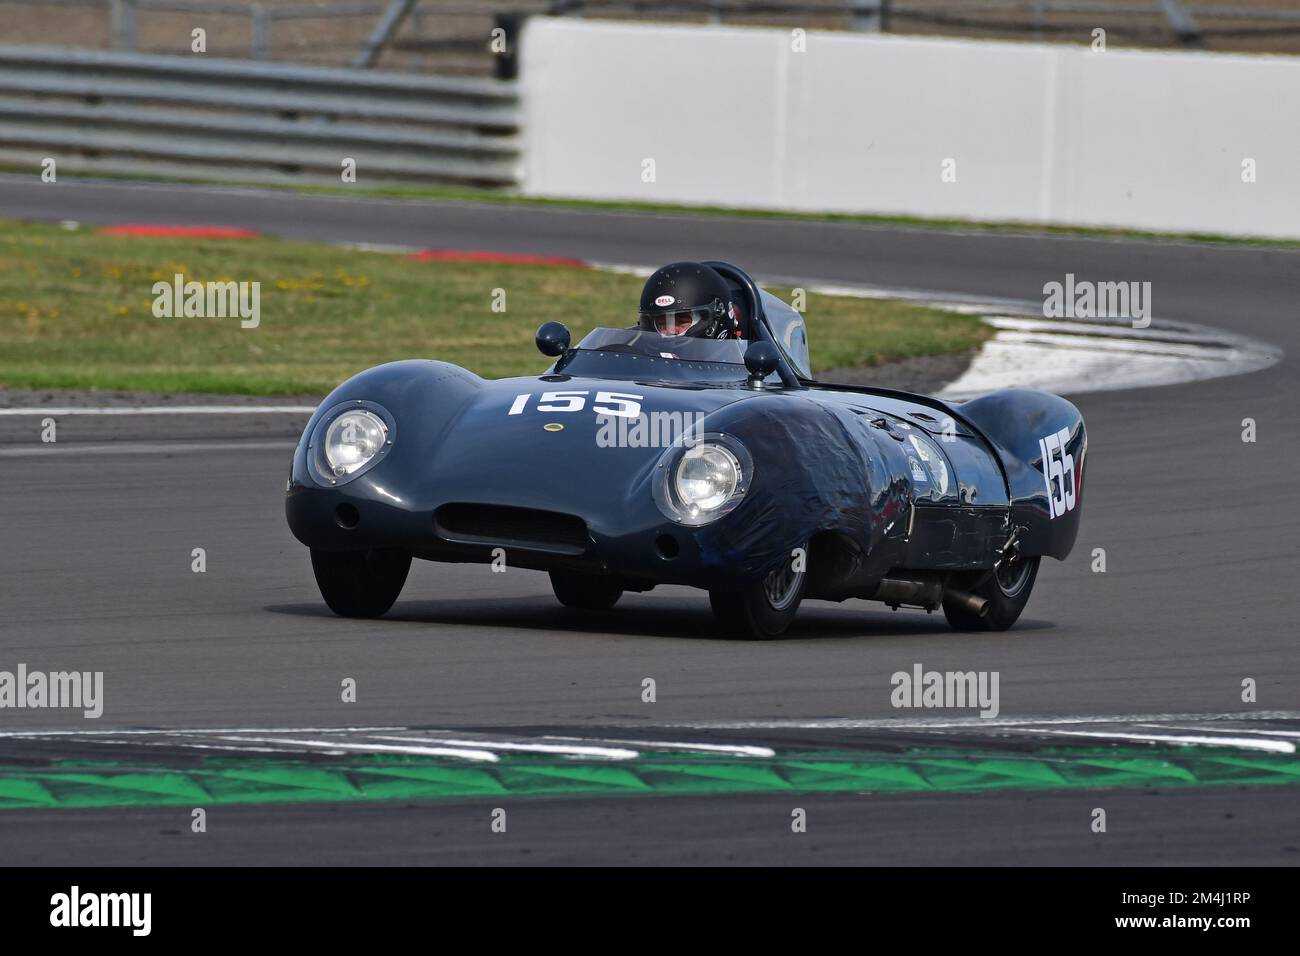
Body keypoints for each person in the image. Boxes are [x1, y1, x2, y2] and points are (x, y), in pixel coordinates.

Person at [637, 261, 744, 339]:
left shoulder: (742, 358)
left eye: (682, 322)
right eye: (662, 324)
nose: (670, 331)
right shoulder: (642, 355)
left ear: (716, 318)